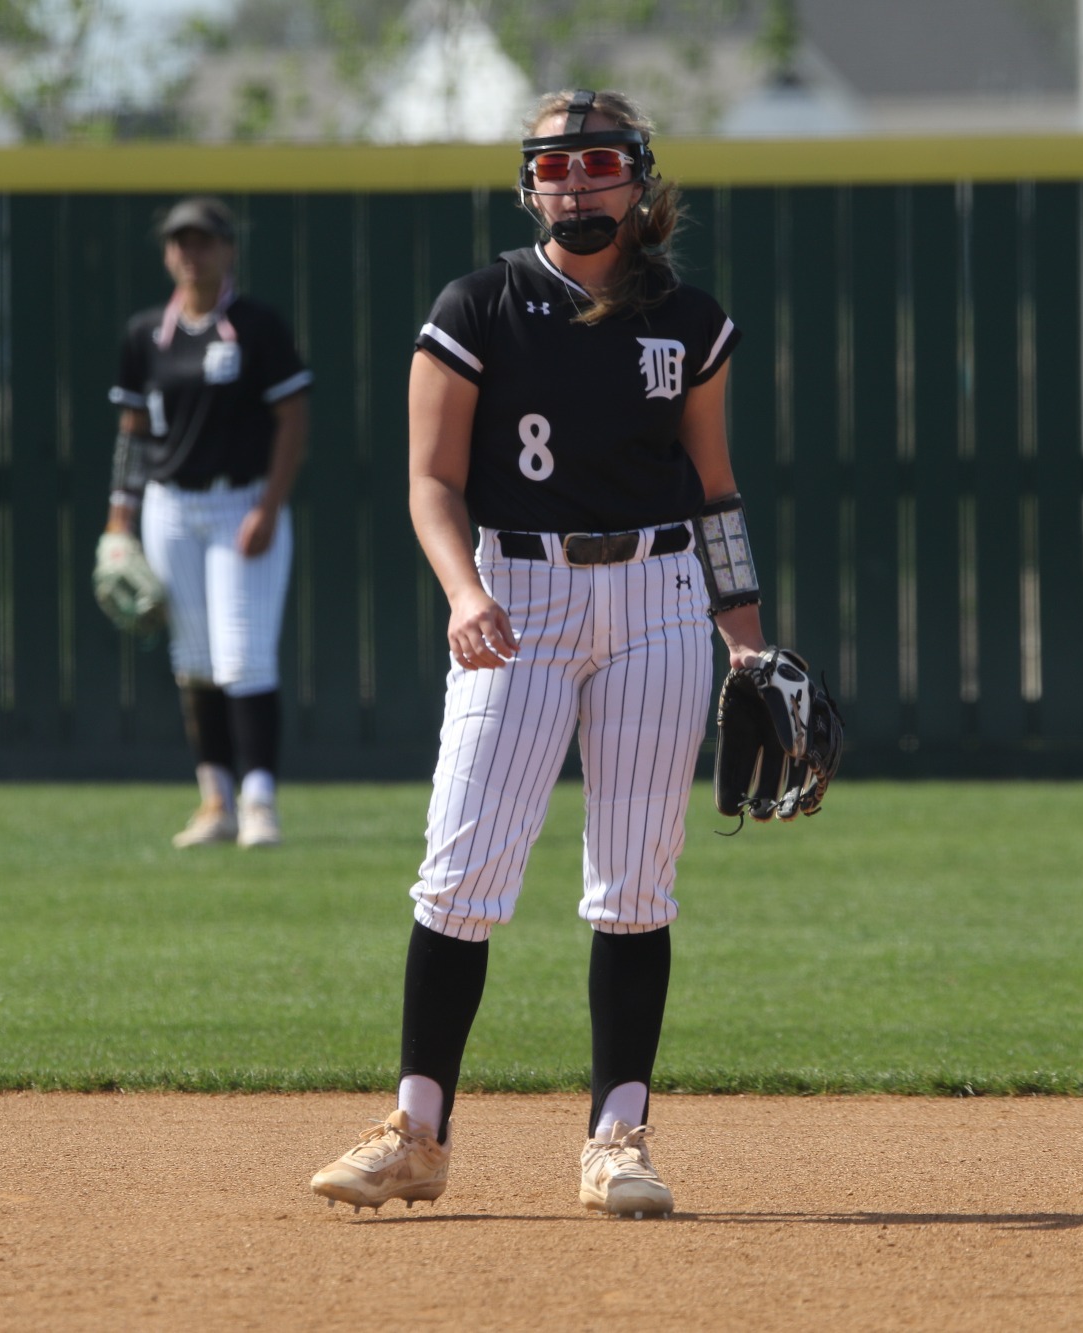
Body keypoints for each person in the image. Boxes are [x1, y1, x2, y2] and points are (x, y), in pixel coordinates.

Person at [310, 89, 769, 1218]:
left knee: (635, 881)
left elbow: (714, 492)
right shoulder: (479, 305)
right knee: (462, 867)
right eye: (553, 166)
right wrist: (462, 590)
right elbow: (430, 480)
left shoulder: (686, 320)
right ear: (528, 186)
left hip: (659, 594)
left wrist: (748, 645)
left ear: (639, 177)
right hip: (517, 592)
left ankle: (618, 1140)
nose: (575, 183)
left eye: (597, 162)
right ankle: (415, 1134)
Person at [106, 197, 311, 849]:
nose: (191, 254)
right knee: (193, 658)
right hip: (170, 507)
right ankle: (215, 800)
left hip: (240, 503)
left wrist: (269, 506)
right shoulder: (148, 333)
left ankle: (260, 803)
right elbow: (133, 431)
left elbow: (293, 419)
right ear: (168, 253)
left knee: (243, 654)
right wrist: (118, 522)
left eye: (203, 241)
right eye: (180, 242)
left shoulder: (255, 326)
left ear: (228, 249)